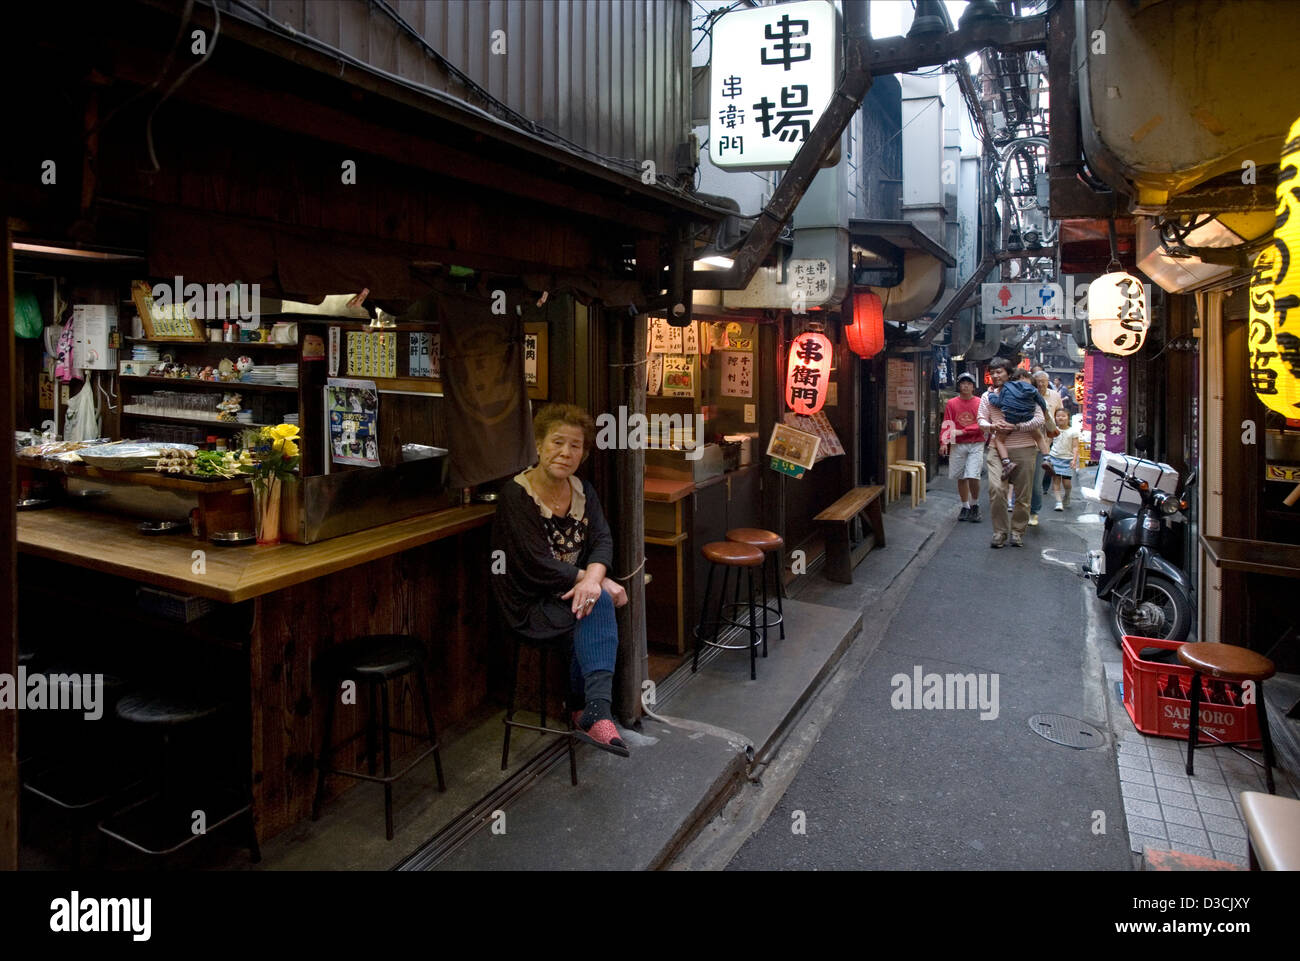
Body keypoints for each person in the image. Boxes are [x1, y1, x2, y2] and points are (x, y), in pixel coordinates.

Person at [491, 403, 631, 756]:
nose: (565, 453)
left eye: (575, 446)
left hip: (568, 595)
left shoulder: (582, 490)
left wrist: (592, 580)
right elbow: (535, 564)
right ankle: (593, 710)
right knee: (597, 602)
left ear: (583, 454)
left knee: (592, 602)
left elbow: (602, 540)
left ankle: (587, 708)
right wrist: (597, 582)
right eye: (557, 442)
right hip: (529, 603)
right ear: (538, 445)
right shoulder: (516, 495)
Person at [979, 357, 1044, 548]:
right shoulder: (987, 396)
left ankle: (1017, 531)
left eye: (999, 372)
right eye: (993, 373)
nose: (996, 376)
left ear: (1008, 373)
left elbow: (1039, 419)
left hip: (1024, 448)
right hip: (996, 449)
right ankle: (1000, 532)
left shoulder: (1025, 390)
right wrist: (992, 425)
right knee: (996, 489)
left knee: (1023, 494)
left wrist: (1015, 426)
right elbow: (981, 420)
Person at [940, 372, 984, 522]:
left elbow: (983, 424)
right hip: (957, 443)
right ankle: (965, 506)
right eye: (963, 383)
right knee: (961, 476)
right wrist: (944, 442)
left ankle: (975, 504)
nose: (966, 386)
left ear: (973, 386)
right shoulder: (952, 403)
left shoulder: (979, 402)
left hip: (975, 442)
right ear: (959, 386)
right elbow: (947, 423)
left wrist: (963, 431)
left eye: (969, 383)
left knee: (973, 475)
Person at [986, 368, 1042, 480]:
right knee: (1038, 436)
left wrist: (991, 394)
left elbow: (998, 403)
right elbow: (1042, 410)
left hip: (1011, 420)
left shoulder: (1007, 389)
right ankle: (1047, 458)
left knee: (999, 439)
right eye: (993, 373)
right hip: (1028, 418)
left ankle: (1006, 462)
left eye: (999, 372)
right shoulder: (1032, 393)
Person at [1028, 370, 1063, 527]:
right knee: (1022, 482)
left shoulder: (1055, 396)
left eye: (1044, 381)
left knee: (1036, 483)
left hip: (1044, 446)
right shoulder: (1028, 394)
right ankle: (1020, 508)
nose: (1041, 384)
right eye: (1038, 381)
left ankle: (1034, 512)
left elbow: (1059, 416)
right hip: (1024, 443)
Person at [1045, 406, 1080, 510]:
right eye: (1058, 416)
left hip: (1067, 460)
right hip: (1054, 457)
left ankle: (1067, 496)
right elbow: (1048, 443)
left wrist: (1074, 460)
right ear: (1055, 418)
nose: (1060, 418)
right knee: (1056, 481)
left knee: (1067, 483)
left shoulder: (1073, 431)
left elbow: (1075, 447)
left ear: (1068, 417)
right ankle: (1058, 502)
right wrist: (1046, 456)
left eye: (1063, 416)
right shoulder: (1053, 430)